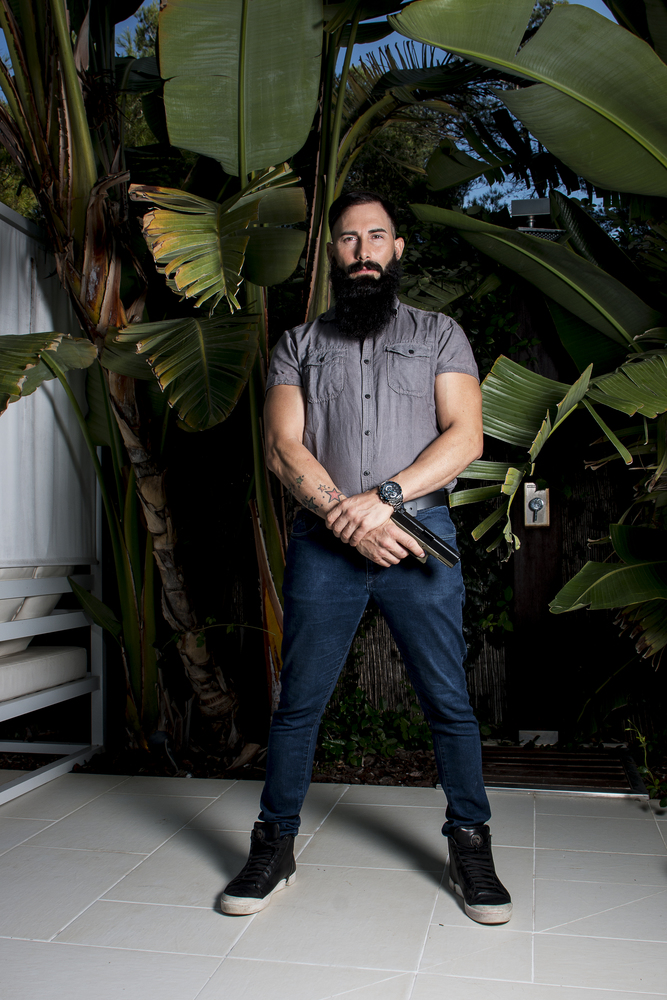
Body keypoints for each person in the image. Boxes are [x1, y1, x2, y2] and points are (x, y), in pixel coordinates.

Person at [221, 190, 512, 925]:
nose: (362, 251)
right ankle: (274, 844)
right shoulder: (297, 345)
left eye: (375, 236)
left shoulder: (440, 334)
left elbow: (465, 437)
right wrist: (346, 521)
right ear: (333, 252)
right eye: (349, 239)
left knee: (448, 701)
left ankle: (470, 843)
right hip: (326, 542)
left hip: (418, 536)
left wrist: (383, 499)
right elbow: (282, 447)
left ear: (396, 249)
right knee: (299, 704)